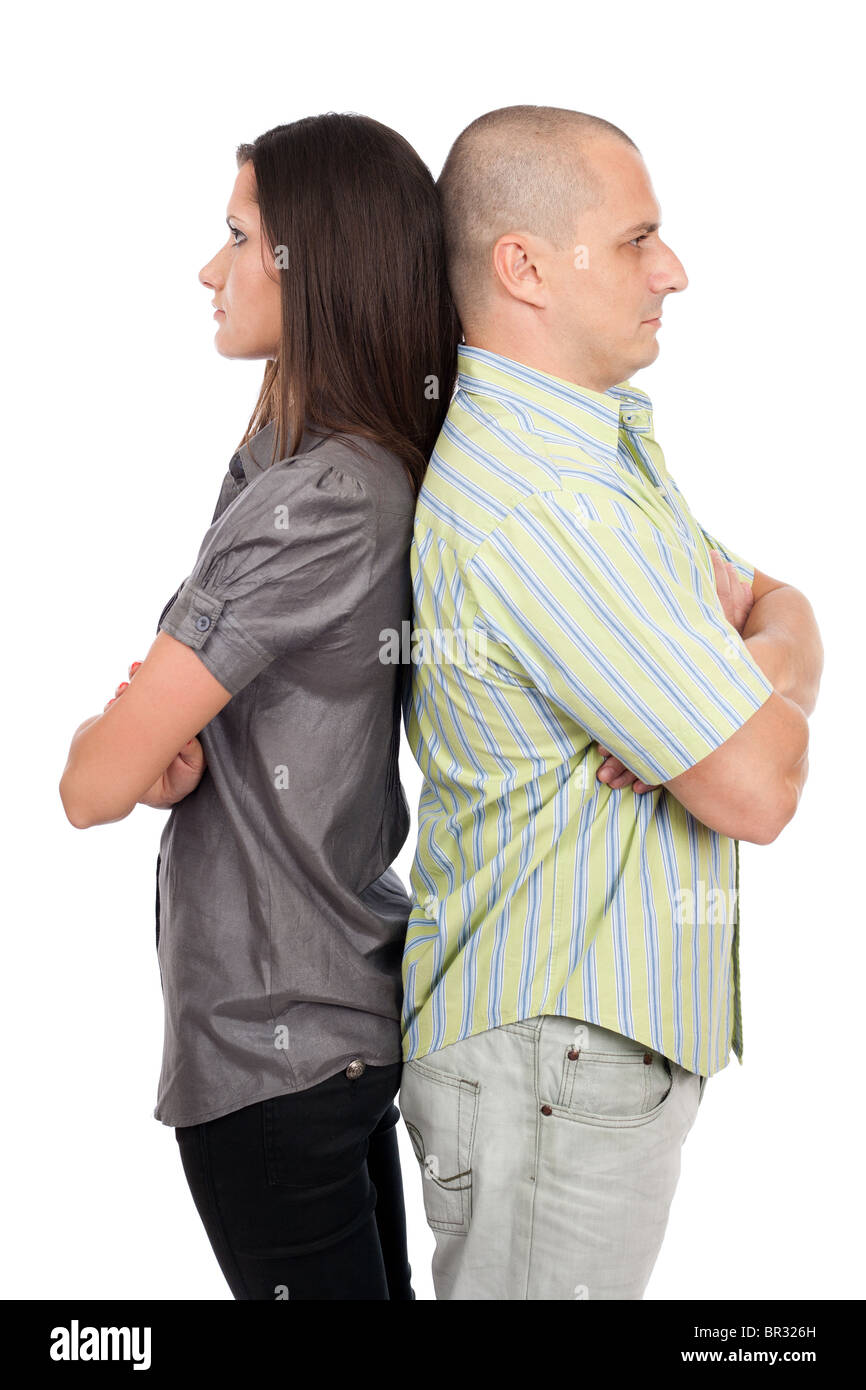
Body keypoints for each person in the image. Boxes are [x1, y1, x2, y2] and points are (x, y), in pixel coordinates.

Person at [397, 105, 823, 1300]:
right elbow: (754, 788)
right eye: (637, 239)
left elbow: (781, 603)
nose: (672, 270)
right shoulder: (545, 505)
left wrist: (744, 675)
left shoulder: (596, 457)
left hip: (573, 1065)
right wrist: (747, 693)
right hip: (552, 1064)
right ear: (522, 266)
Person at [59, 113, 460, 1300]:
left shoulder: (323, 496)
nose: (207, 268)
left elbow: (88, 785)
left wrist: (134, 748)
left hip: (272, 1051)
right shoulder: (318, 467)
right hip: (322, 1033)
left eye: (236, 237)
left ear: (310, 267)